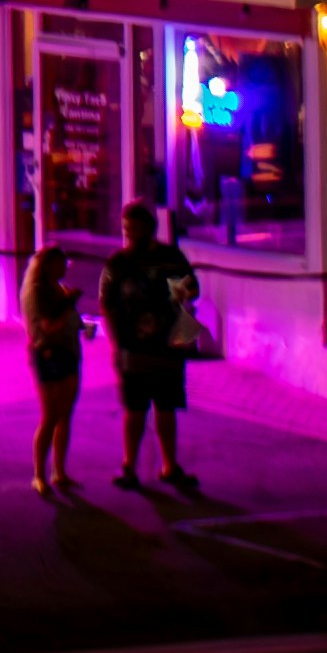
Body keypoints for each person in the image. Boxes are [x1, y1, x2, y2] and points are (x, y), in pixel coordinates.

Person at [104, 200, 201, 488]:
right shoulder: (119, 262)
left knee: (166, 407)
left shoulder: (171, 258)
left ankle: (169, 465)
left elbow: (191, 289)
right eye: (125, 229)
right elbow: (107, 305)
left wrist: (182, 293)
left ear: (149, 228)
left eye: (133, 229)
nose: (129, 235)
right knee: (134, 409)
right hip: (132, 348)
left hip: (167, 346)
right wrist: (114, 344)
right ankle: (129, 466)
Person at [19, 229, 88, 496]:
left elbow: (68, 320)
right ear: (48, 266)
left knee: (65, 415)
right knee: (50, 415)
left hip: (69, 352)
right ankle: (39, 474)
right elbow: (46, 325)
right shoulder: (37, 292)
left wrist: (80, 323)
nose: (64, 269)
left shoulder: (57, 288)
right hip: (48, 354)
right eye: (60, 264)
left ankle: (59, 472)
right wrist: (68, 304)